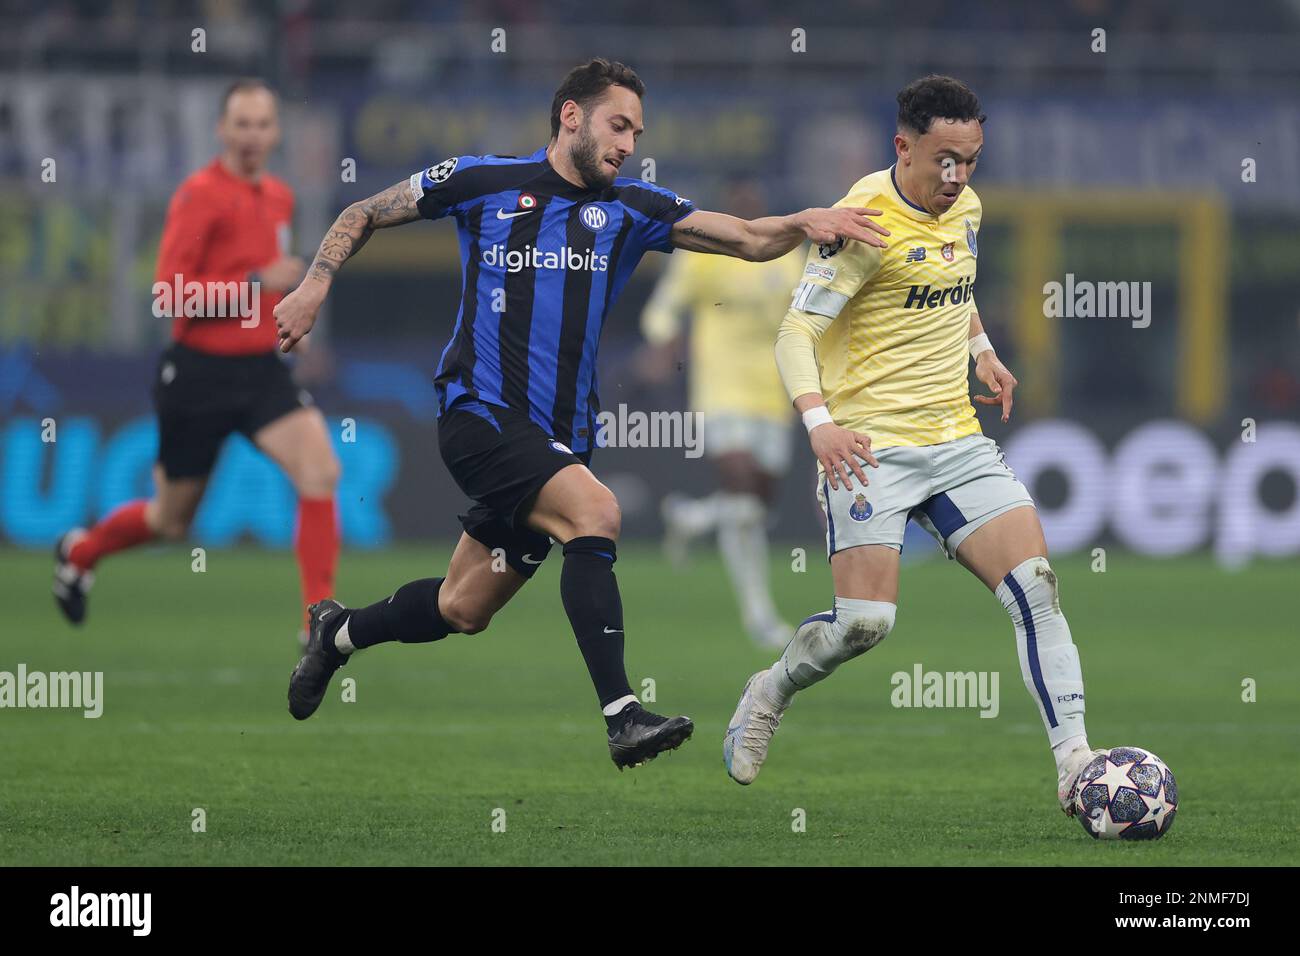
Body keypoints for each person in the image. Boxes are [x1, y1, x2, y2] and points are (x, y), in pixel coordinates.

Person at [273, 58, 889, 770]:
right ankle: (623, 716)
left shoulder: (631, 208)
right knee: (595, 515)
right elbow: (364, 211)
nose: (629, 142)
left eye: (637, 131)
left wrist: (805, 221)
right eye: (618, 125)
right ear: (572, 116)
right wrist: (315, 286)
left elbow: (748, 239)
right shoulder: (482, 181)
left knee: (463, 607)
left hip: (561, 436)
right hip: (480, 416)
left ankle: (337, 632)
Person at [723, 75, 1106, 818]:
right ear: (902, 147)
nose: (958, 177)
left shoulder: (965, 207)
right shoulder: (861, 222)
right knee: (865, 625)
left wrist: (983, 350)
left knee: (1037, 590)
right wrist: (819, 425)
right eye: (943, 160)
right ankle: (770, 690)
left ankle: (1075, 766)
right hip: (868, 446)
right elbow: (795, 333)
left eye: (971, 158)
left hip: (956, 438)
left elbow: (953, 287)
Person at [52, 78, 340, 643]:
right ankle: (81, 553)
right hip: (198, 374)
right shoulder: (199, 195)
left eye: (262, 124)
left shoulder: (278, 195)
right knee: (170, 521)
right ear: (221, 130)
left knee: (321, 472)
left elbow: (267, 290)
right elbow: (168, 296)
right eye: (242, 124)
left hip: (259, 371)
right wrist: (258, 281)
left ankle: (316, 623)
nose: (252, 135)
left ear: (275, 131)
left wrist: (284, 318)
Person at [638, 178, 804, 647]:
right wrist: (662, 339)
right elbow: (662, 310)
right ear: (729, 207)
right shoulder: (704, 253)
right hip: (720, 387)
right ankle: (758, 614)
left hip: (773, 390)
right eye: (739, 204)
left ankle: (692, 519)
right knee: (742, 487)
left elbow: (807, 320)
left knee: (757, 503)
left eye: (754, 204)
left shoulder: (787, 258)